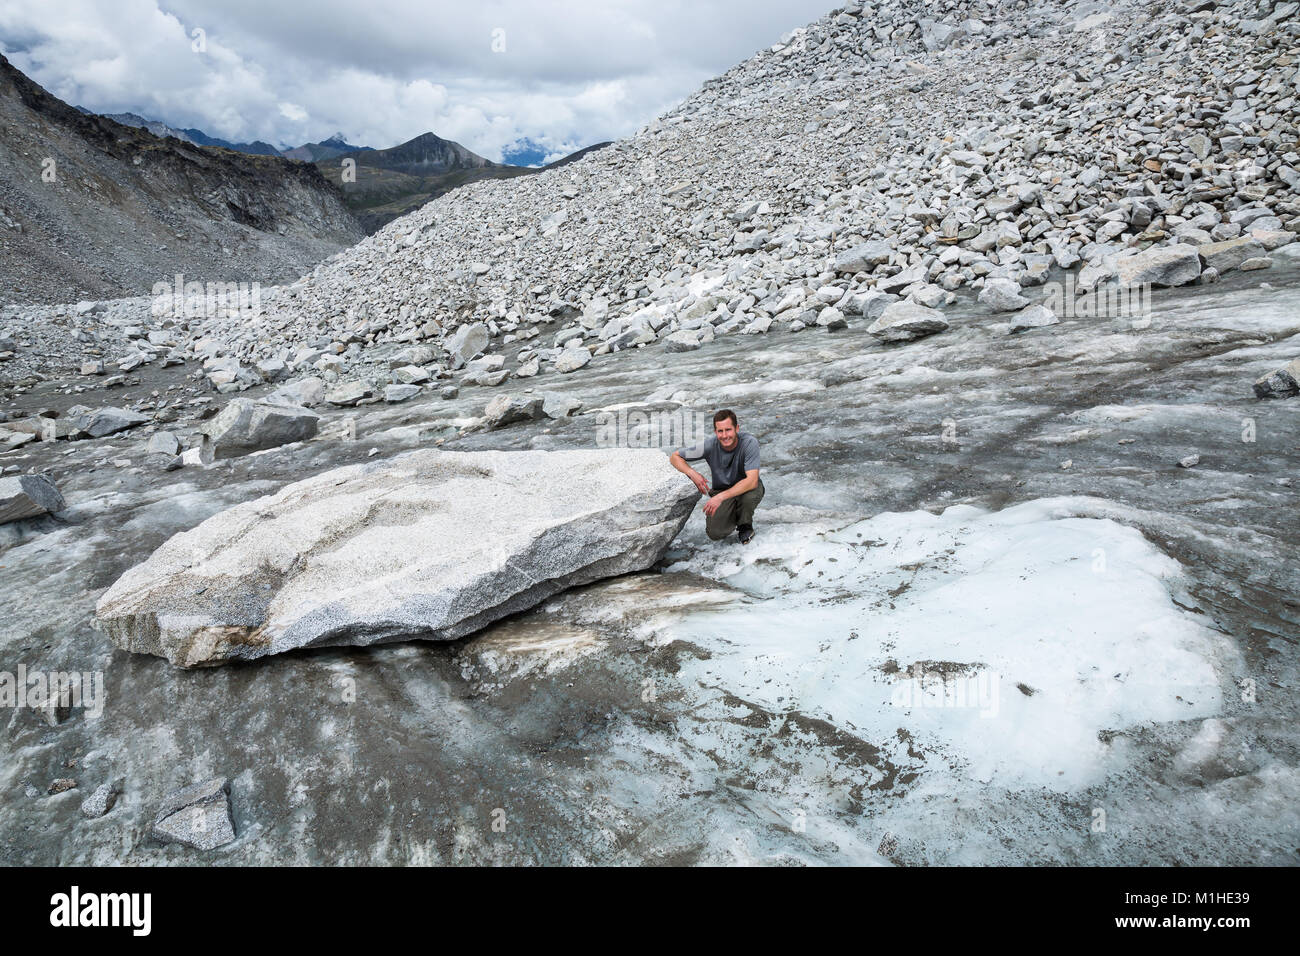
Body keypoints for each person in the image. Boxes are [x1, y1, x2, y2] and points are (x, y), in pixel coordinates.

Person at [669, 409, 764, 544]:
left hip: (747, 488)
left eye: (728, 430)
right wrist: (692, 473)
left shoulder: (749, 443)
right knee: (715, 533)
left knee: (749, 497)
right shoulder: (709, 445)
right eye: (720, 431)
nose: (725, 435)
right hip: (723, 489)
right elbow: (675, 457)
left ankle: (745, 525)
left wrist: (720, 497)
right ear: (715, 432)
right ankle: (733, 512)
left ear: (737, 428)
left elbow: (752, 481)